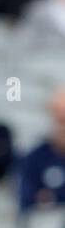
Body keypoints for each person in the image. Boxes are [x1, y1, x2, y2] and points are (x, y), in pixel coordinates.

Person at [19, 87, 65, 215]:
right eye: (60, 120)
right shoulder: (34, 158)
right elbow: (27, 201)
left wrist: (52, 196)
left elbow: (44, 199)